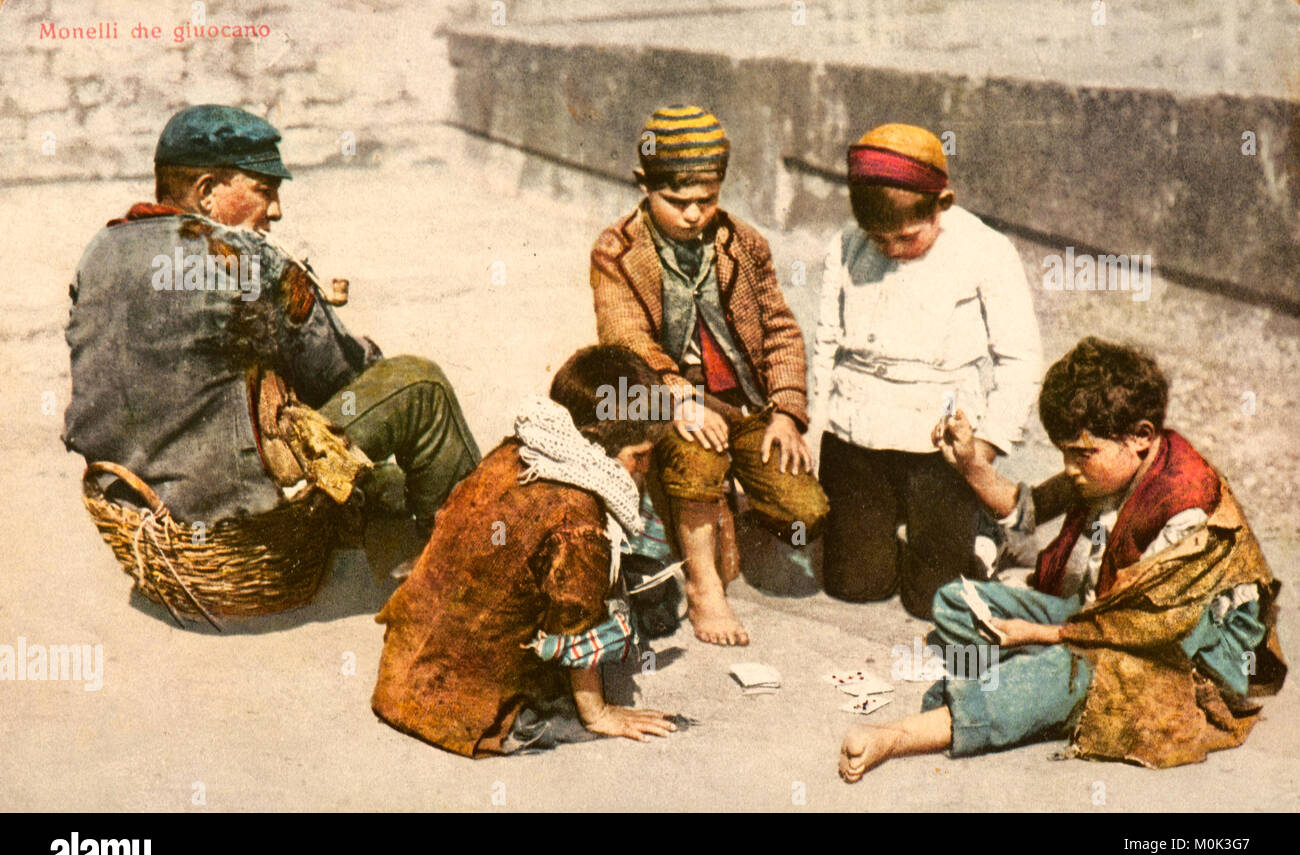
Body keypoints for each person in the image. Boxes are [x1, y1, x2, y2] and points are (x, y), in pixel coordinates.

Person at [839, 337, 1286, 780]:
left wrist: (1039, 634)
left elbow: (1154, 632)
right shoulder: (1109, 464)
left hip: (1181, 659)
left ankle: (900, 735)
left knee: (1064, 673)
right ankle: (1016, 689)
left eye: (1081, 454)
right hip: (1102, 613)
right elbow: (1027, 508)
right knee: (956, 602)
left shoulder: (1188, 506)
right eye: (1065, 453)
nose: (1070, 467)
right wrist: (971, 464)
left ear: (1142, 437)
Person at [63, 105, 479, 535]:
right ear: (207, 192)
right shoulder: (249, 260)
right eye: (265, 189)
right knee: (419, 384)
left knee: (383, 480)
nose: (275, 210)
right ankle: (473, 560)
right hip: (229, 499)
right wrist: (329, 319)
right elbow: (341, 376)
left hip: (133, 497)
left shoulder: (101, 249)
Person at [591, 104, 829, 646]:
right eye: (677, 201)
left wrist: (787, 412)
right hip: (663, 399)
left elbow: (780, 330)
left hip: (743, 405)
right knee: (697, 460)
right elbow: (626, 338)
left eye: (708, 199)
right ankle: (704, 587)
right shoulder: (617, 251)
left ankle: (722, 508)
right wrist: (678, 400)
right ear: (643, 185)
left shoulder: (743, 244)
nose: (695, 213)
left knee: (806, 510)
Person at [370, 346, 680, 757]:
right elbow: (576, 622)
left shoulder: (519, 449)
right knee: (617, 619)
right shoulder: (579, 515)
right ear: (597, 444)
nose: (643, 471)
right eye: (639, 457)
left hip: (402, 675)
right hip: (457, 709)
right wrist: (599, 714)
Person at [810, 123, 1042, 618]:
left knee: (934, 602)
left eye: (906, 236)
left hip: (939, 439)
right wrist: (815, 426)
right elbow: (826, 343)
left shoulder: (986, 250)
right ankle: (891, 522)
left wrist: (985, 446)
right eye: (879, 239)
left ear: (943, 204)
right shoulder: (846, 247)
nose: (892, 249)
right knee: (854, 585)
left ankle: (980, 533)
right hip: (858, 429)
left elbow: (1019, 356)